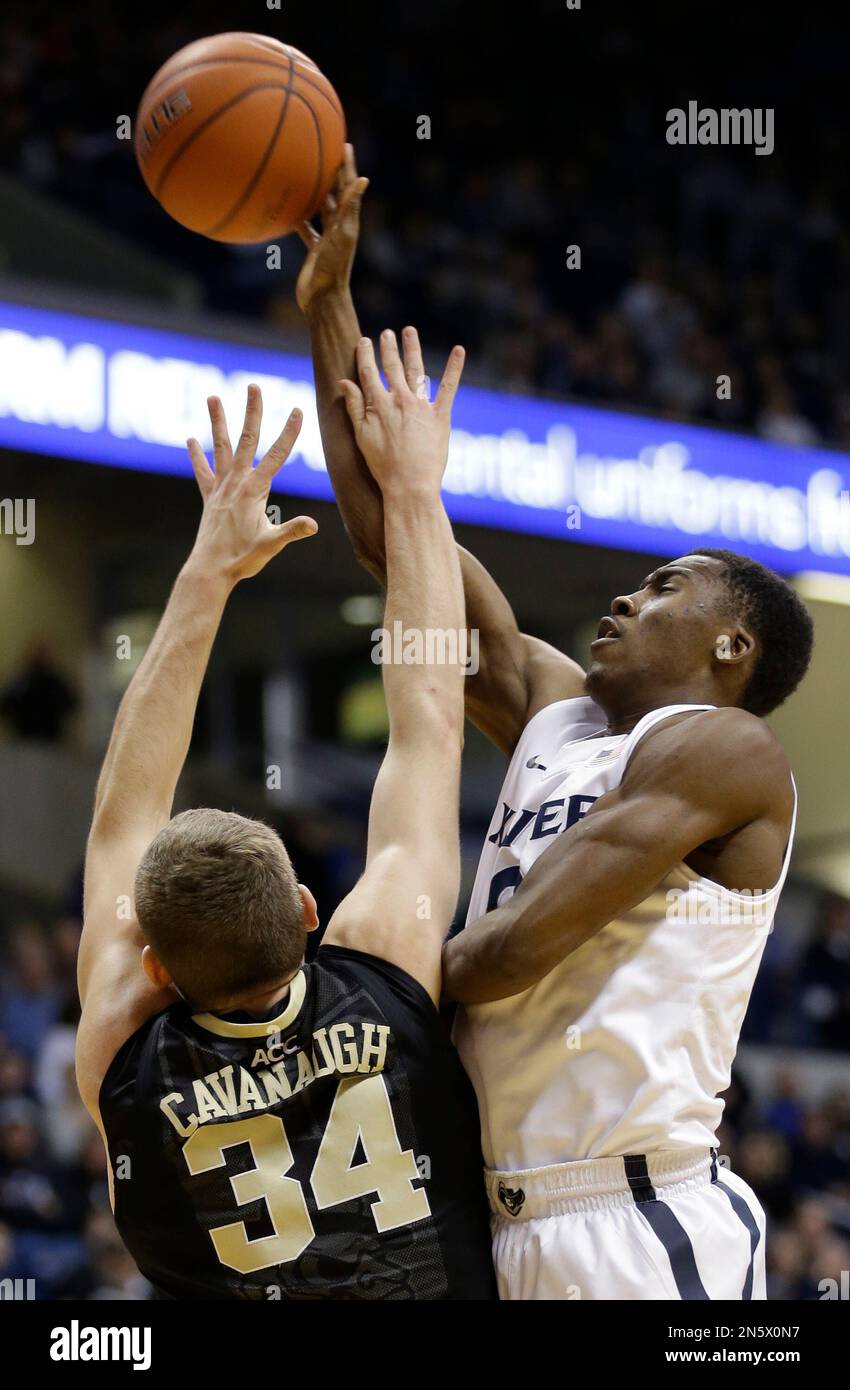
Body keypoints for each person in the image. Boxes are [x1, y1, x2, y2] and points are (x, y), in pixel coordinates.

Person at [298, 146, 815, 1301]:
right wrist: (329, 306)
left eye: (666, 586)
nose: (626, 596)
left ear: (732, 648)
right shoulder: (552, 710)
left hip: (641, 1221)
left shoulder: (724, 753)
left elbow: (519, 947)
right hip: (500, 1213)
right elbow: (398, 541)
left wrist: (340, 992)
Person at [75, 370, 496, 1300]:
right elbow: (430, 718)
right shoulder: (383, 967)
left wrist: (205, 575)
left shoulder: (120, 1046)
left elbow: (120, 815)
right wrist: (417, 493)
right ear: (308, 909)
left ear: (156, 967)